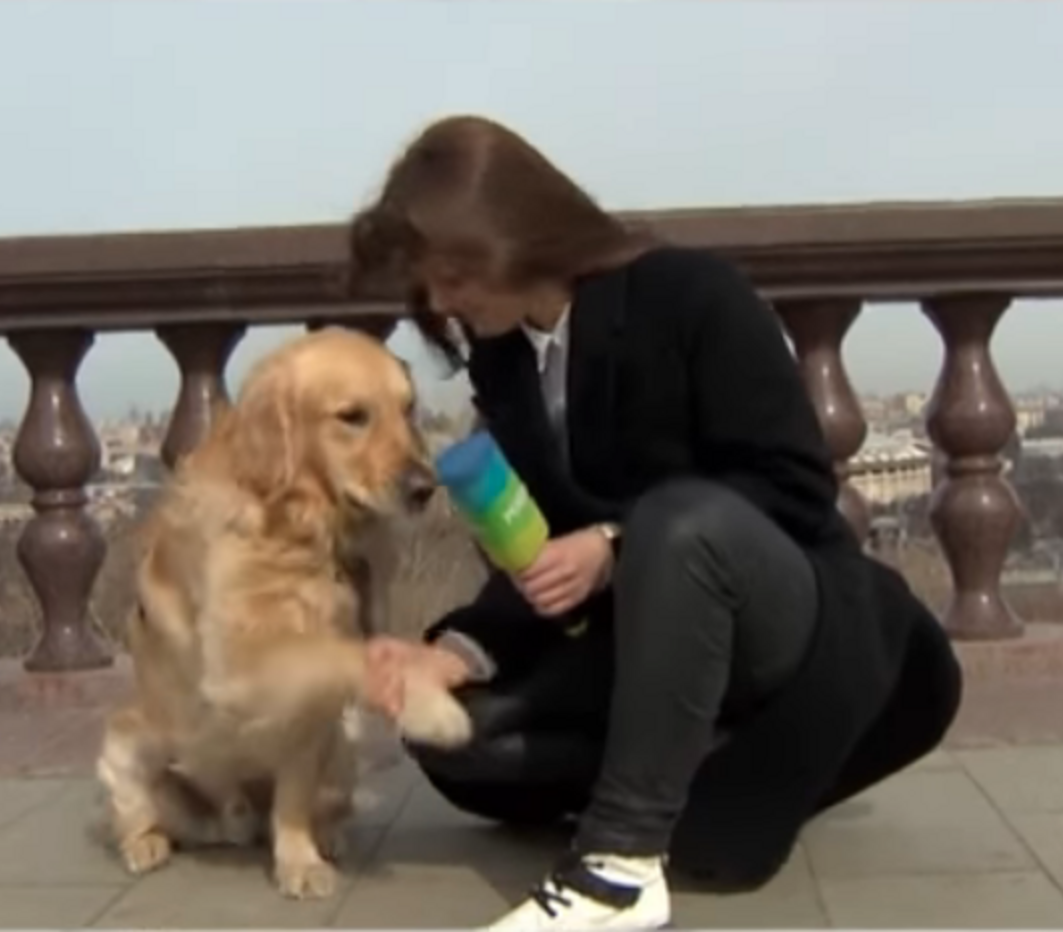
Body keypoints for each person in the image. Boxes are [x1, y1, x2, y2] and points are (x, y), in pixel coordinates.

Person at [347, 115, 963, 932]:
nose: (440, 303)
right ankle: (689, 772)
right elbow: (534, 550)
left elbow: (793, 488)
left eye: (452, 275)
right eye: (427, 285)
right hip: (643, 645)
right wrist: (455, 653)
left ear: (516, 232)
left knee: (678, 523)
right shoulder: (505, 360)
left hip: (785, 622)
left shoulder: (691, 294)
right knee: (454, 743)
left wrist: (611, 545)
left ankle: (621, 863)